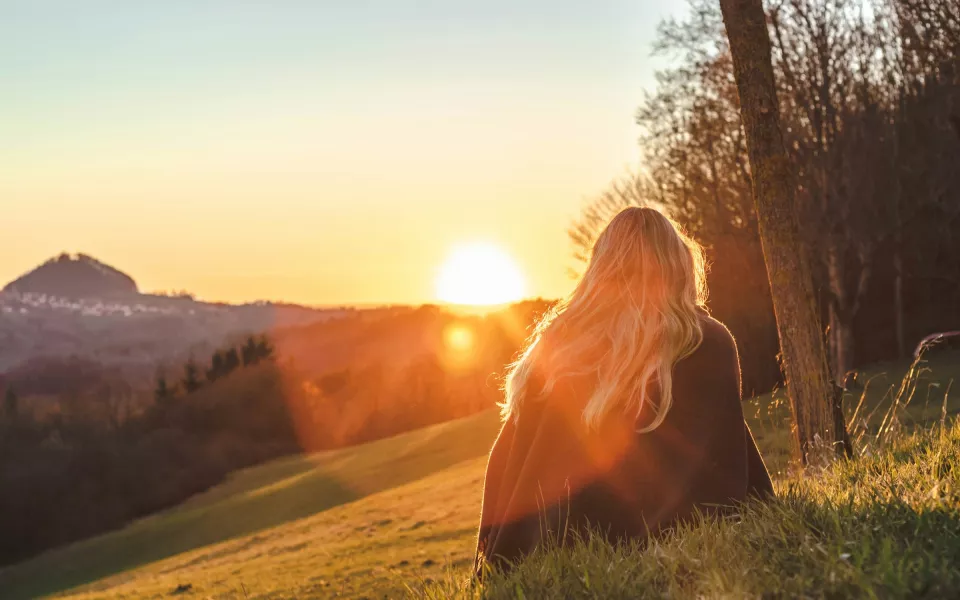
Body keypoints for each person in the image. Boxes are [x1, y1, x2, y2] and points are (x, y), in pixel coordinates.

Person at [475, 207, 774, 574]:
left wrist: (494, 553)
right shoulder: (703, 339)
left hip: (545, 548)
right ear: (677, 264)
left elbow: (506, 461)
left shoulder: (556, 346)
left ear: (600, 268)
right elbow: (721, 461)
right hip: (646, 542)